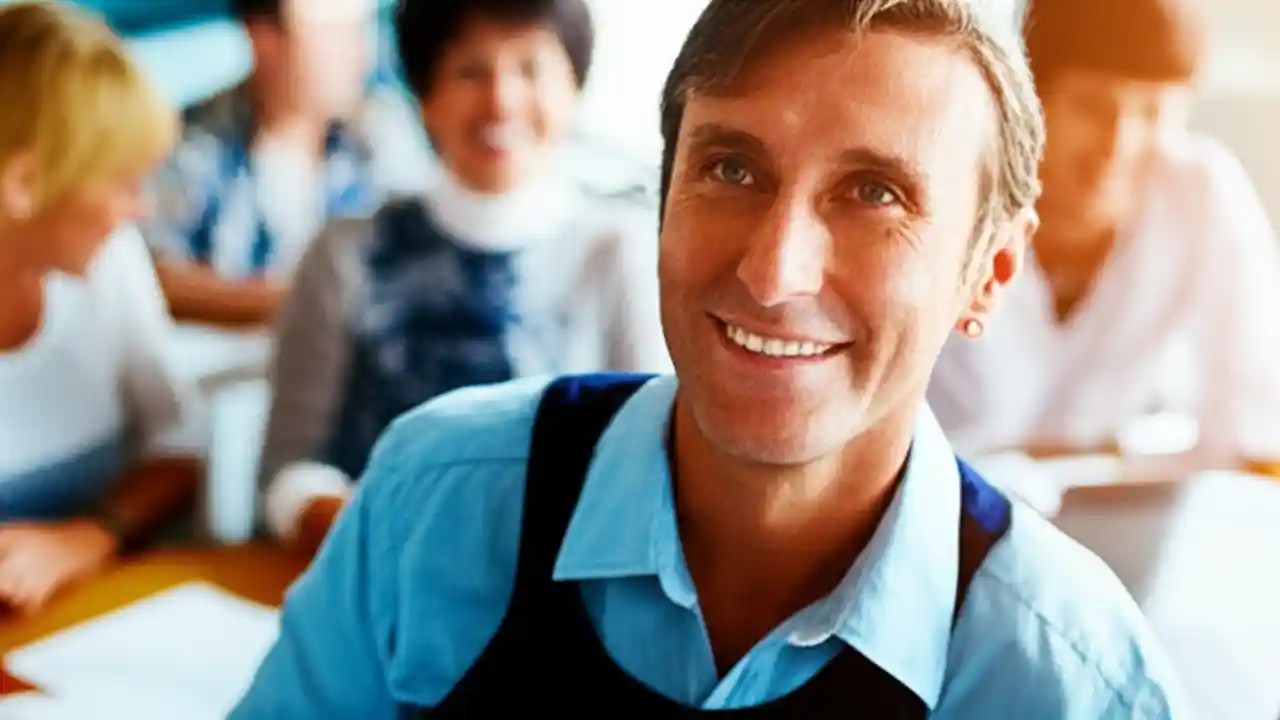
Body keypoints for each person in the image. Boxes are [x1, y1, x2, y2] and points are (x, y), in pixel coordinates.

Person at [232, 0, 1186, 716]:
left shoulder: (1073, 679)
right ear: (662, 198)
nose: (774, 273)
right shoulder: (432, 504)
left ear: (990, 272)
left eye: (874, 193)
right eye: (731, 169)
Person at [254, 0, 669, 553]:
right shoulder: (346, 252)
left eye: (530, 69)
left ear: (574, 90)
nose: (501, 100)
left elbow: (649, 468)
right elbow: (288, 470)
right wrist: (373, 531)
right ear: (425, 98)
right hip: (377, 576)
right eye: (470, 71)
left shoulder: (622, 251)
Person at [929, 0, 1280, 467]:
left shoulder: (1199, 192)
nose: (1119, 145)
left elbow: (1257, 424)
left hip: (1119, 526)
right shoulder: (953, 185)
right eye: (1093, 107)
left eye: (1154, 112)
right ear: (1031, 97)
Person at [0, 2, 201, 614]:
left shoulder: (110, 263)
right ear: (25, 182)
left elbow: (180, 445)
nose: (139, 209)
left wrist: (90, 535)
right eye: (123, 181)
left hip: (84, 626)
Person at [138, 0, 434, 326]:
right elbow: (153, 276)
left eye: (361, 30)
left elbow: (426, 253)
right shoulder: (189, 140)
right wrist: (303, 303)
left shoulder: (382, 130)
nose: (359, 53)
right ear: (263, 36)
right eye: (333, 34)